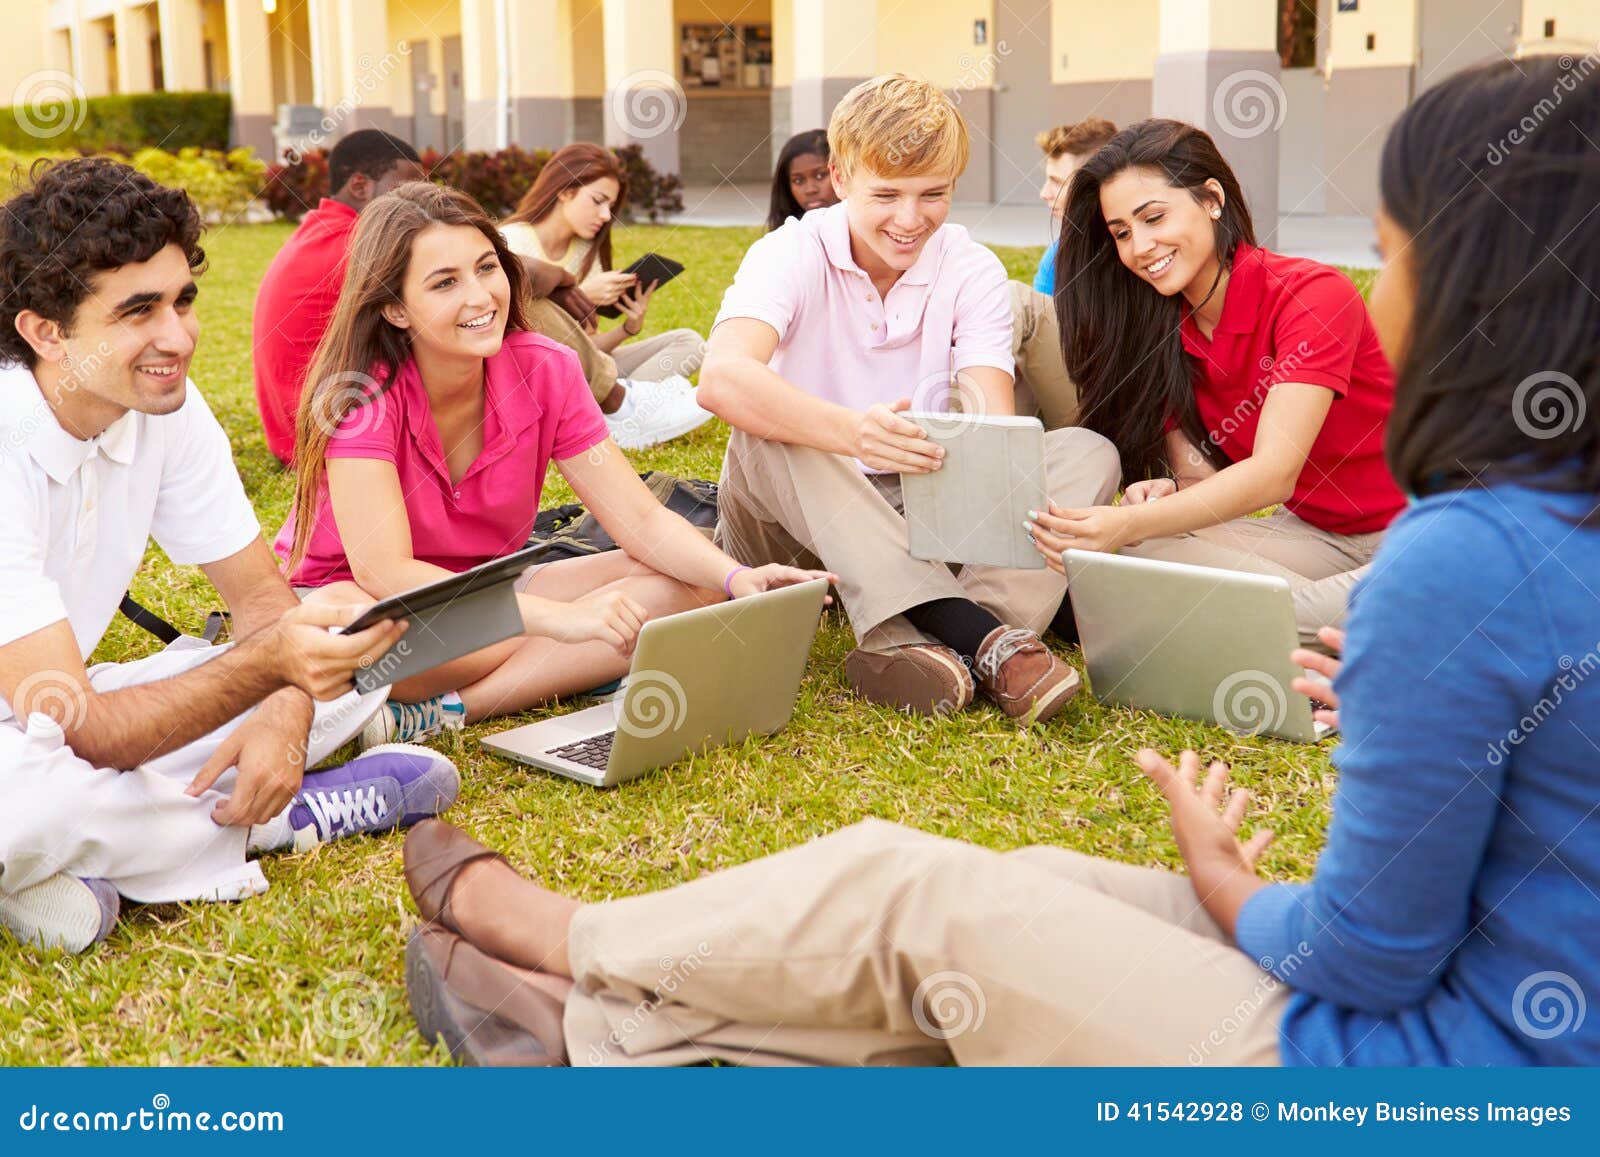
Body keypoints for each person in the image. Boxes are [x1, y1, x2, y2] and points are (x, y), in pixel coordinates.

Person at [398, 55, 1600, 1067]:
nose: (1370, 281)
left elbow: (1354, 956)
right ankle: (599, 1028)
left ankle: (569, 956)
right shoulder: (1526, 529)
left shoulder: (1462, 559)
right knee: (1026, 886)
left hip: (1417, 1059)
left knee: (918, 892)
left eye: (1387, 250)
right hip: (1477, 988)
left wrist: (1221, 875)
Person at [0, 159, 460, 955]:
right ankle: (279, 820)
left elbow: (263, 604)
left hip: (51, 706)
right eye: (138, 310)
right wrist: (270, 669)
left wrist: (283, 719)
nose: (177, 337)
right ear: (45, 331)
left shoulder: (160, 404)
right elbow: (90, 729)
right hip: (52, 726)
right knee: (27, 808)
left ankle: (97, 866)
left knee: (342, 619)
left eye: (182, 301)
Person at [275, 181, 831, 749]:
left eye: (486, 267)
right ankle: (560, 661)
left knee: (692, 589)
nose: (480, 297)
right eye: (445, 283)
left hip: (490, 585)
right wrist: (553, 619)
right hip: (365, 605)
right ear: (394, 307)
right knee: (353, 632)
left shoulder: (548, 368)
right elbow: (384, 572)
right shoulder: (359, 396)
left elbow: (639, 520)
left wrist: (739, 577)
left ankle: (446, 711)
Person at [697, 74, 1121, 725]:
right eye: (886, 194)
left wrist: (976, 470)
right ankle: (979, 632)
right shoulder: (790, 252)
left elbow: (989, 423)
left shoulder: (969, 266)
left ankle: (915, 648)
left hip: (918, 510)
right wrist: (850, 433)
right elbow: (722, 378)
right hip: (795, 522)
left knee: (1084, 450)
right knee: (771, 426)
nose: (909, 219)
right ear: (839, 178)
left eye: (933, 194)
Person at [1033, 119, 1405, 643]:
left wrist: (1121, 524)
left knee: (1203, 595)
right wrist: (1163, 497)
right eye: (1121, 232)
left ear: (1211, 199)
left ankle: (1344, 619)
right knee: (1148, 554)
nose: (1140, 246)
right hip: (1318, 536)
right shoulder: (1160, 333)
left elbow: (1273, 475)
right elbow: (1201, 486)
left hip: (1421, 530)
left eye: (1153, 217)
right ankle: (1322, 623)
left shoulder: (1312, 295)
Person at [500, 144, 711, 450]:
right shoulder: (512, 241)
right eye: (598, 201)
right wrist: (582, 294)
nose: (605, 215)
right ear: (565, 192)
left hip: (585, 369)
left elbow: (588, 348)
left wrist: (627, 329)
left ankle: (620, 406)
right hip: (535, 372)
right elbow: (519, 328)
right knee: (536, 302)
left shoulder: (586, 251)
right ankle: (619, 406)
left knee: (689, 342)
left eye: (611, 207)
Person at [253, 129, 426, 463]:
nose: (418, 205)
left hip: (300, 434)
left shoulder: (325, 230)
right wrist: (559, 277)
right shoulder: (357, 244)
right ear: (360, 186)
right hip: (330, 440)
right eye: (405, 192)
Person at [1009, 117, 1117, 429]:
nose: (1044, 193)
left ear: (1093, 185)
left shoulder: (1137, 250)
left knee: (1015, 298)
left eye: (1057, 181)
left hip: (1110, 406)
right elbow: (1040, 341)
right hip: (1067, 392)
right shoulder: (1057, 256)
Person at [766, 129, 837, 231]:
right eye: (798, 181)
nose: (810, 190)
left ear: (840, 174)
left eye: (820, 176)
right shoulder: (783, 239)